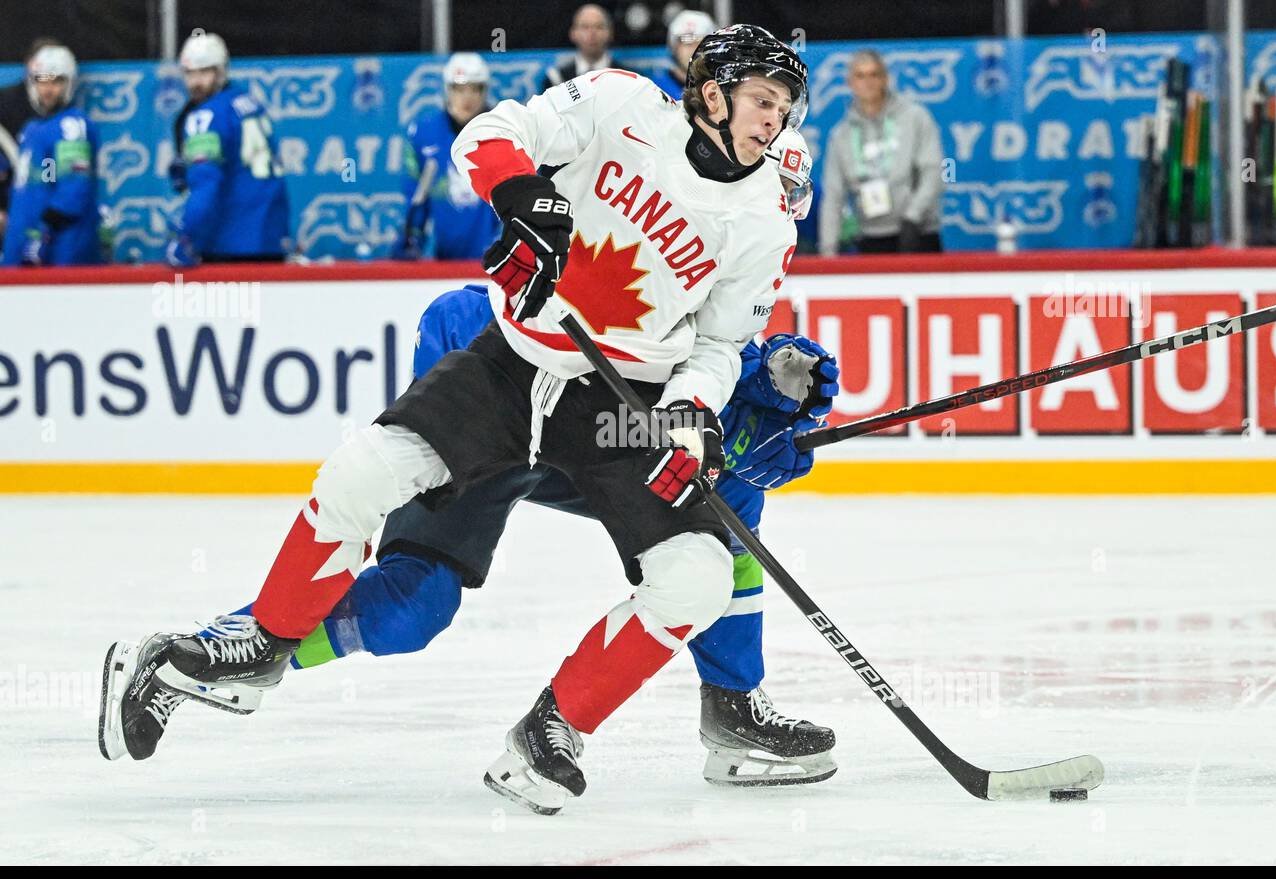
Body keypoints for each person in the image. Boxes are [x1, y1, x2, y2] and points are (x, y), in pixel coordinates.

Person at [100, 25, 810, 815]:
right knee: (366, 476)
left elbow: (716, 345)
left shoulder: (764, 220)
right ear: (712, 93)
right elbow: (492, 133)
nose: (773, 122)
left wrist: (689, 414)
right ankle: (258, 640)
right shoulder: (621, 104)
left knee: (699, 574)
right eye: (762, 101)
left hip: (619, 407)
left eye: (783, 109)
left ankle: (552, 730)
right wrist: (519, 192)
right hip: (509, 368)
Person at [166, 29, 290, 266]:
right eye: (190, 73)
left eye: (205, 72)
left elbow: (206, 186)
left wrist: (188, 237)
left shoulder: (206, 115)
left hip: (232, 239)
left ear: (221, 72)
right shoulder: (249, 103)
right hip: (270, 233)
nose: (196, 82)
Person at [818, 49, 944, 256]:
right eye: (860, 75)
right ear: (850, 83)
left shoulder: (915, 118)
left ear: (886, 78)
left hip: (917, 232)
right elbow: (833, 195)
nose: (868, 82)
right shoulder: (841, 134)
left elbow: (932, 172)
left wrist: (913, 216)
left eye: (874, 74)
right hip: (871, 237)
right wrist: (827, 250)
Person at [392, 53, 500, 261]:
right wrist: (411, 238)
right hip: (444, 256)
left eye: (475, 88)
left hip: (496, 253)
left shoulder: (503, 131)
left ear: (484, 91)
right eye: (459, 89)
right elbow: (415, 194)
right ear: (447, 90)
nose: (467, 97)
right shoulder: (423, 133)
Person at [0, 44, 101, 267]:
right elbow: (47, 176)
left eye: (56, 81)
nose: (47, 89)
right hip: (22, 243)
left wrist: (42, 233)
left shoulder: (71, 127)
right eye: (41, 80)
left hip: (58, 250)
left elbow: (73, 190)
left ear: (69, 83)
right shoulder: (33, 128)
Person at [0, 38, 60, 245]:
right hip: (10, 201)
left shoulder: (65, 117)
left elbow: (50, 167)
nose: (48, 87)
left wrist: (52, 212)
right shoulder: (6, 102)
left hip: (41, 206)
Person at [542, 4, 629, 91]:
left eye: (599, 27)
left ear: (610, 33)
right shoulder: (556, 80)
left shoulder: (628, 79)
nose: (592, 33)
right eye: (585, 27)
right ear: (573, 33)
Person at [650, 9, 717, 100]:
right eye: (686, 41)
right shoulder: (654, 89)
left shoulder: (719, 89)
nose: (694, 49)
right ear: (674, 46)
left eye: (699, 42)